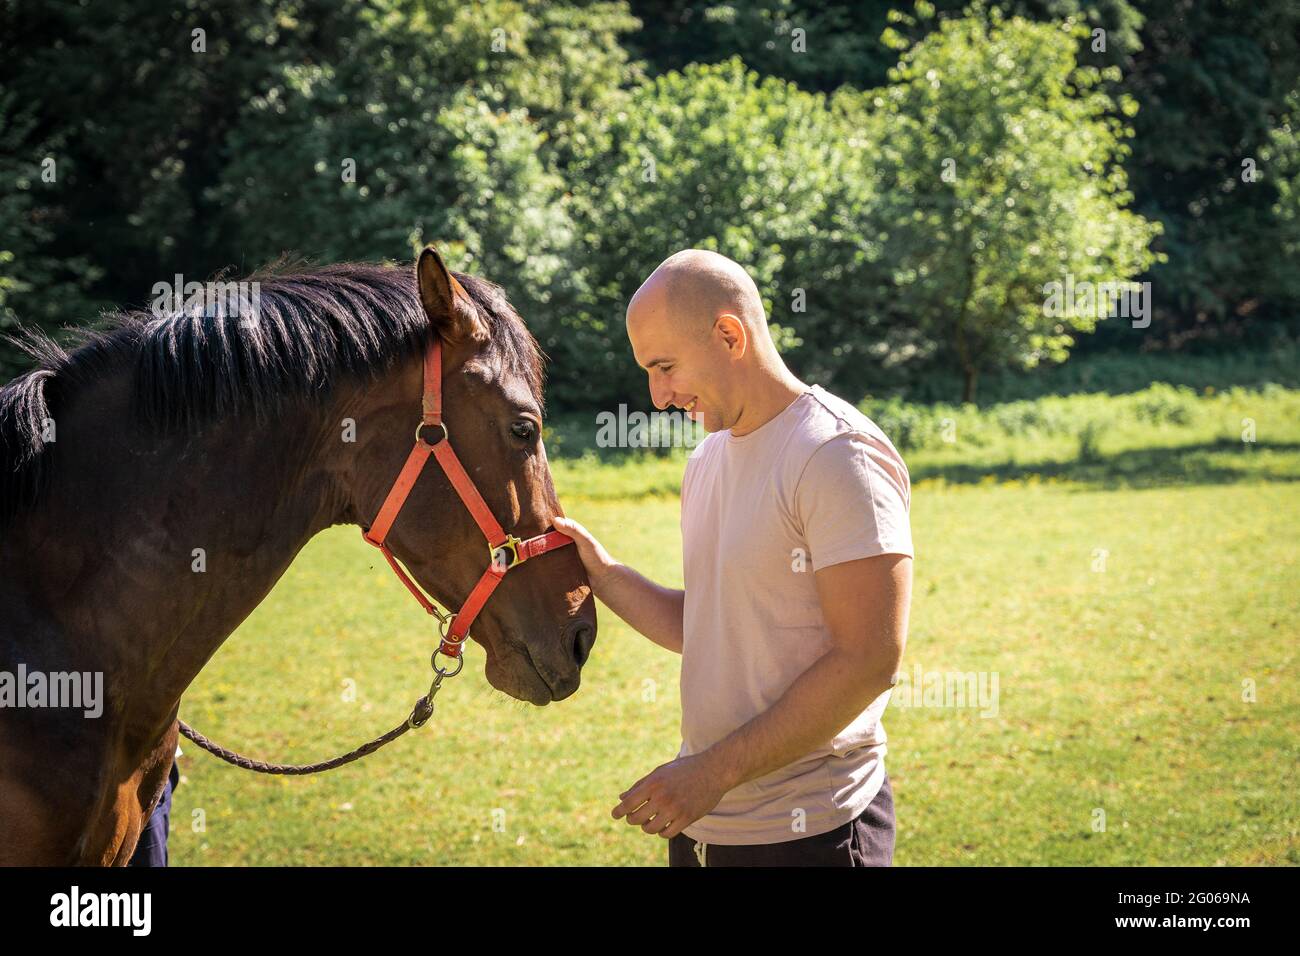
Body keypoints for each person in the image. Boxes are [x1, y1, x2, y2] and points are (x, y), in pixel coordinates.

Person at [553, 249, 913, 866]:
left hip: (812, 836)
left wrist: (709, 773)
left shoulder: (836, 454)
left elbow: (869, 659)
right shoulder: (708, 459)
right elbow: (713, 625)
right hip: (704, 831)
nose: (657, 395)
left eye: (664, 366)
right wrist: (602, 572)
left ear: (728, 334)